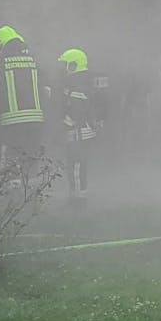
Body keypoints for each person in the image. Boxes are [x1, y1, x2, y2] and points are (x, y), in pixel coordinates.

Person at [0, 25, 45, 164]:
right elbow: (45, 90)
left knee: (11, 166)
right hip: (36, 123)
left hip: (12, 125)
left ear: (0, 43)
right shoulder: (34, 61)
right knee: (31, 164)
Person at [56, 48, 99, 204]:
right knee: (76, 162)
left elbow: (77, 111)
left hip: (79, 131)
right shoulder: (78, 83)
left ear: (74, 65)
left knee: (76, 163)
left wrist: (67, 122)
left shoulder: (78, 85)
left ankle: (77, 197)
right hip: (78, 131)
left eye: (65, 65)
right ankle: (77, 194)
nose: (63, 70)